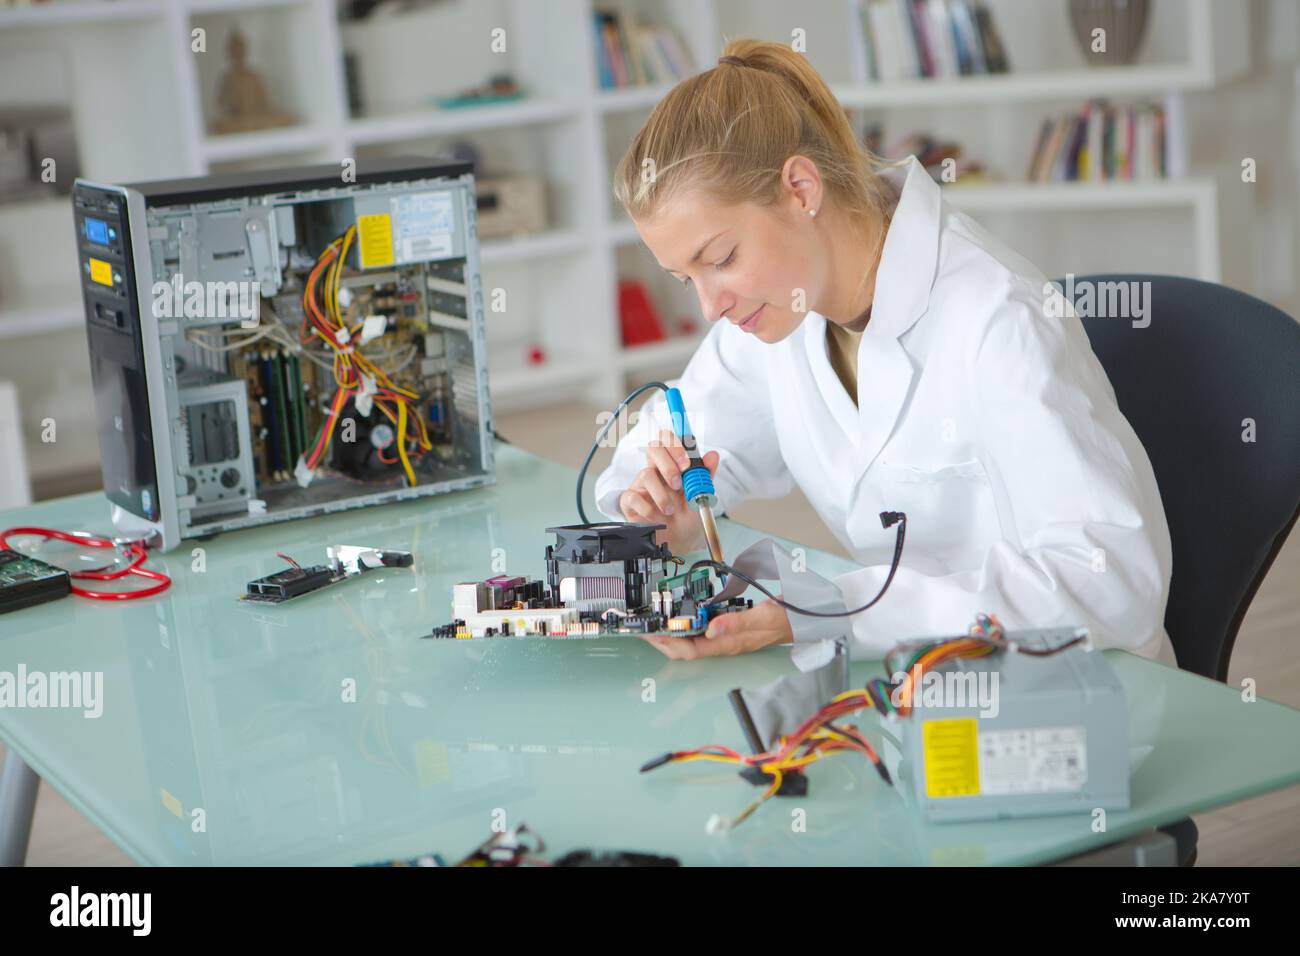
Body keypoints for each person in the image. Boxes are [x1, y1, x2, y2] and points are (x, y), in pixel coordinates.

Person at [593, 39, 1176, 667]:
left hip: (1075, 693)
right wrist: (654, 511)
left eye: (721, 259)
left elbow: (1112, 579)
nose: (710, 306)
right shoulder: (780, 309)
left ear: (799, 187)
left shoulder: (998, 317)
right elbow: (671, 452)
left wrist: (825, 608)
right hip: (920, 685)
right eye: (687, 279)